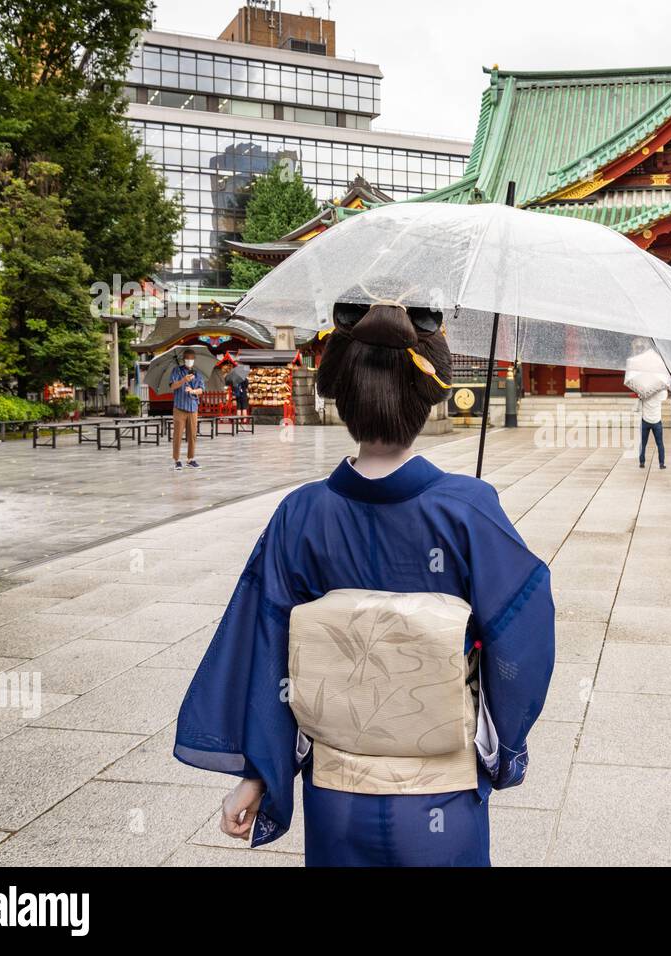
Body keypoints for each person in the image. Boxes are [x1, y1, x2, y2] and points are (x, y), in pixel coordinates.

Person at [173, 301, 555, 867]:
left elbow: (264, 648)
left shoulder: (300, 514)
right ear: (429, 398)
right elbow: (522, 632)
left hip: (337, 798)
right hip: (441, 797)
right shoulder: (469, 509)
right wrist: (504, 746)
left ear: (342, 399)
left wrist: (260, 775)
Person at [624, 344, 669, 470]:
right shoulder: (660, 392)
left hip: (645, 421)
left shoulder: (643, 391)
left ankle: (642, 462)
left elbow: (639, 400)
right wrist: (664, 386)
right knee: (660, 444)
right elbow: (665, 395)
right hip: (657, 421)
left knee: (642, 444)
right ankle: (661, 463)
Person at [169, 349, 205, 470]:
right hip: (179, 407)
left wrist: (193, 391)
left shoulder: (198, 374)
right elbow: (172, 386)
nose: (189, 361)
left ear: (194, 359)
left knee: (192, 435)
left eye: (191, 358)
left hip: (193, 407)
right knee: (178, 434)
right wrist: (184, 380)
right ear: (183, 359)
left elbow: (201, 389)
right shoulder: (176, 371)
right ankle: (176, 460)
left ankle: (190, 459)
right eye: (187, 358)